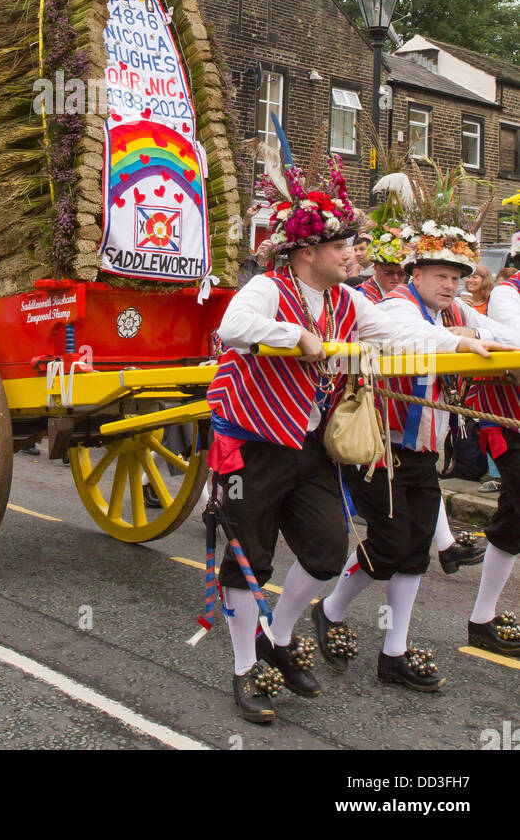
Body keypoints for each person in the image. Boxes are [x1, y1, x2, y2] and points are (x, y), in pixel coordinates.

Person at [204, 151, 489, 724]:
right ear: (308, 252)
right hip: (253, 441)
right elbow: (232, 327)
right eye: (342, 247)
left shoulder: (348, 300)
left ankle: (277, 637)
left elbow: (399, 330)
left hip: (309, 445)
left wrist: (457, 343)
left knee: (327, 550)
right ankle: (243, 668)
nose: (354, 255)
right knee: (248, 560)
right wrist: (293, 336)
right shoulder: (268, 288)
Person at [317, 213, 509, 691]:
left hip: (423, 448)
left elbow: (500, 335)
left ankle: (394, 653)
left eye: (458, 277)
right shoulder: (397, 305)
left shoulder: (458, 312)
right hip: (378, 445)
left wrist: (479, 336)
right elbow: (410, 338)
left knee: (416, 549)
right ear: (415, 274)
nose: (451, 285)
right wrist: (462, 341)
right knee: (388, 544)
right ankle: (330, 609)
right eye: (441, 275)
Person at [461, 241, 520, 656]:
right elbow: (514, 345)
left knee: (514, 519)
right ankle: (482, 618)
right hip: (509, 422)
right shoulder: (507, 292)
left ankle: (482, 619)